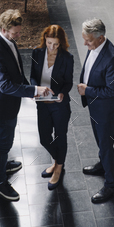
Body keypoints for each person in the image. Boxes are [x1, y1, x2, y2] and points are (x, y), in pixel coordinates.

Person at [0, 9, 51, 201]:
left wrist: (28, 89)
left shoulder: (4, 38)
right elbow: (4, 85)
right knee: (4, 142)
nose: (19, 36)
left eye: (19, 32)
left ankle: (2, 166)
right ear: (4, 29)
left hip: (8, 100)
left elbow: (15, 68)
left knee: (6, 139)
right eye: (15, 33)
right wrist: (34, 90)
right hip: (2, 103)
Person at [78, 18, 114, 203]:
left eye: (88, 40)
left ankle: (111, 184)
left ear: (100, 38)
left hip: (105, 112)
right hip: (95, 107)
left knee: (106, 146)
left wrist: (87, 90)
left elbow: (112, 90)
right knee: (100, 142)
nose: (85, 44)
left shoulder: (112, 58)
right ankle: (103, 166)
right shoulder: (94, 46)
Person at [30, 25, 74, 190]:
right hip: (42, 103)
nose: (52, 47)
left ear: (61, 42)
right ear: (45, 40)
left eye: (55, 44)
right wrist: (36, 89)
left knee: (60, 136)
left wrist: (62, 93)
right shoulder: (37, 53)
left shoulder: (67, 58)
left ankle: (59, 168)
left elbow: (68, 82)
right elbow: (33, 77)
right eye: (49, 43)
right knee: (44, 138)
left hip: (59, 105)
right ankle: (57, 161)